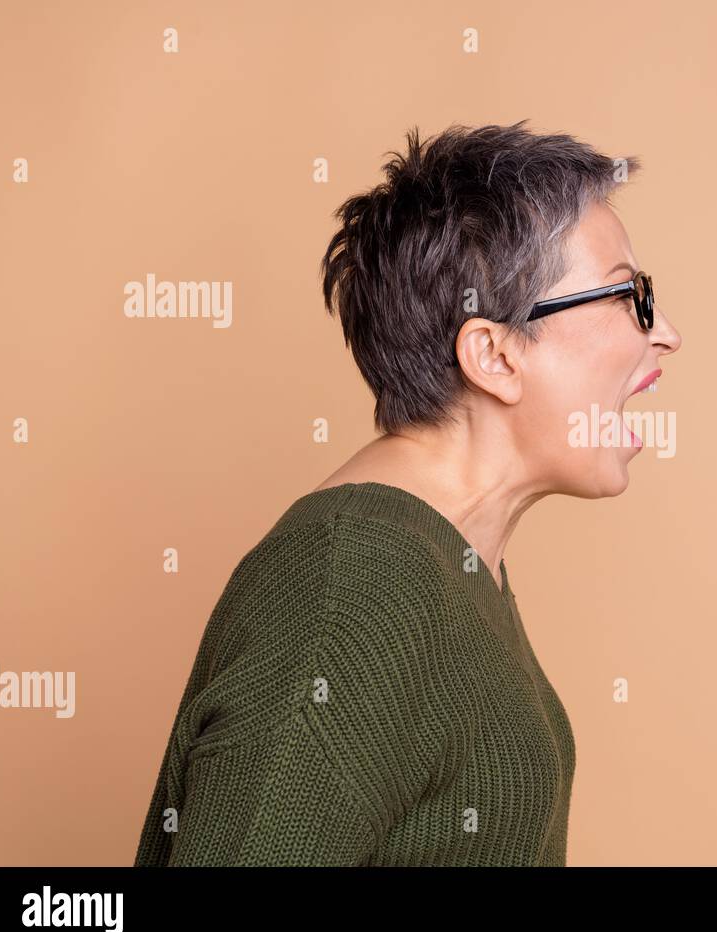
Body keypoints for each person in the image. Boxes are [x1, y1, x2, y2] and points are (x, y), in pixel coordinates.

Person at [132, 121, 681, 866]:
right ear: (494, 353)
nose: (665, 334)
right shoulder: (354, 587)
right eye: (630, 296)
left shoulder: (447, 562)